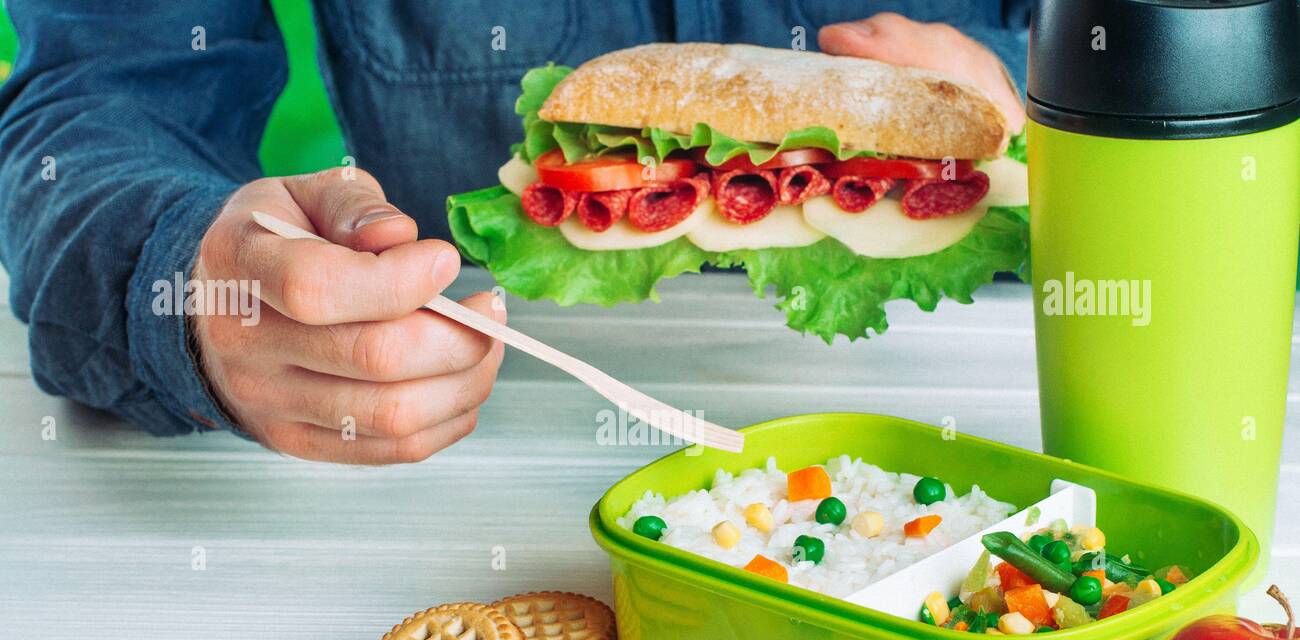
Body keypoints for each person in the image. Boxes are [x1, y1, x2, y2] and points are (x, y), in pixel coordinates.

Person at [0, 3, 1030, 464]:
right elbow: (105, 82)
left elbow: (1170, 34)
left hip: (993, 413)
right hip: (469, 437)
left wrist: (1073, 108)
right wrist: (192, 277)